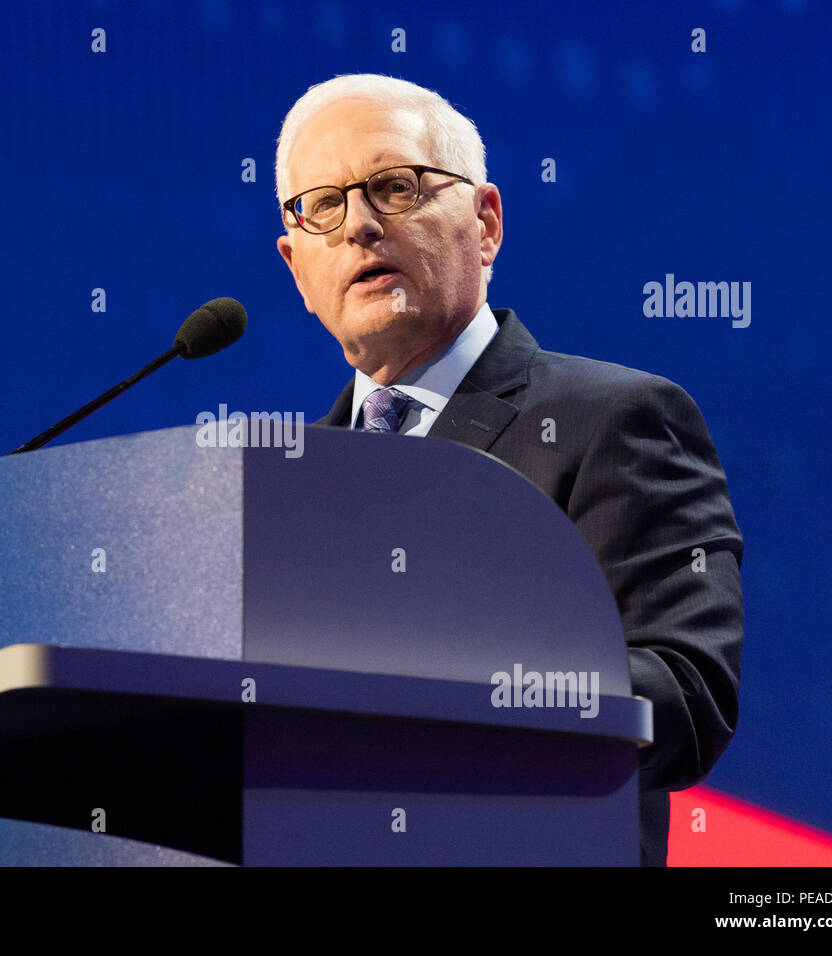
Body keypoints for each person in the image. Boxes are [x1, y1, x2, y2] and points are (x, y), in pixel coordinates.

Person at [274, 73, 744, 866]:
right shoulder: (283, 493)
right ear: (296, 269)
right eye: (324, 205)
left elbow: (685, 696)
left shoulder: (616, 419)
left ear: (485, 223)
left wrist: (430, 691)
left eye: (394, 186)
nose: (357, 227)